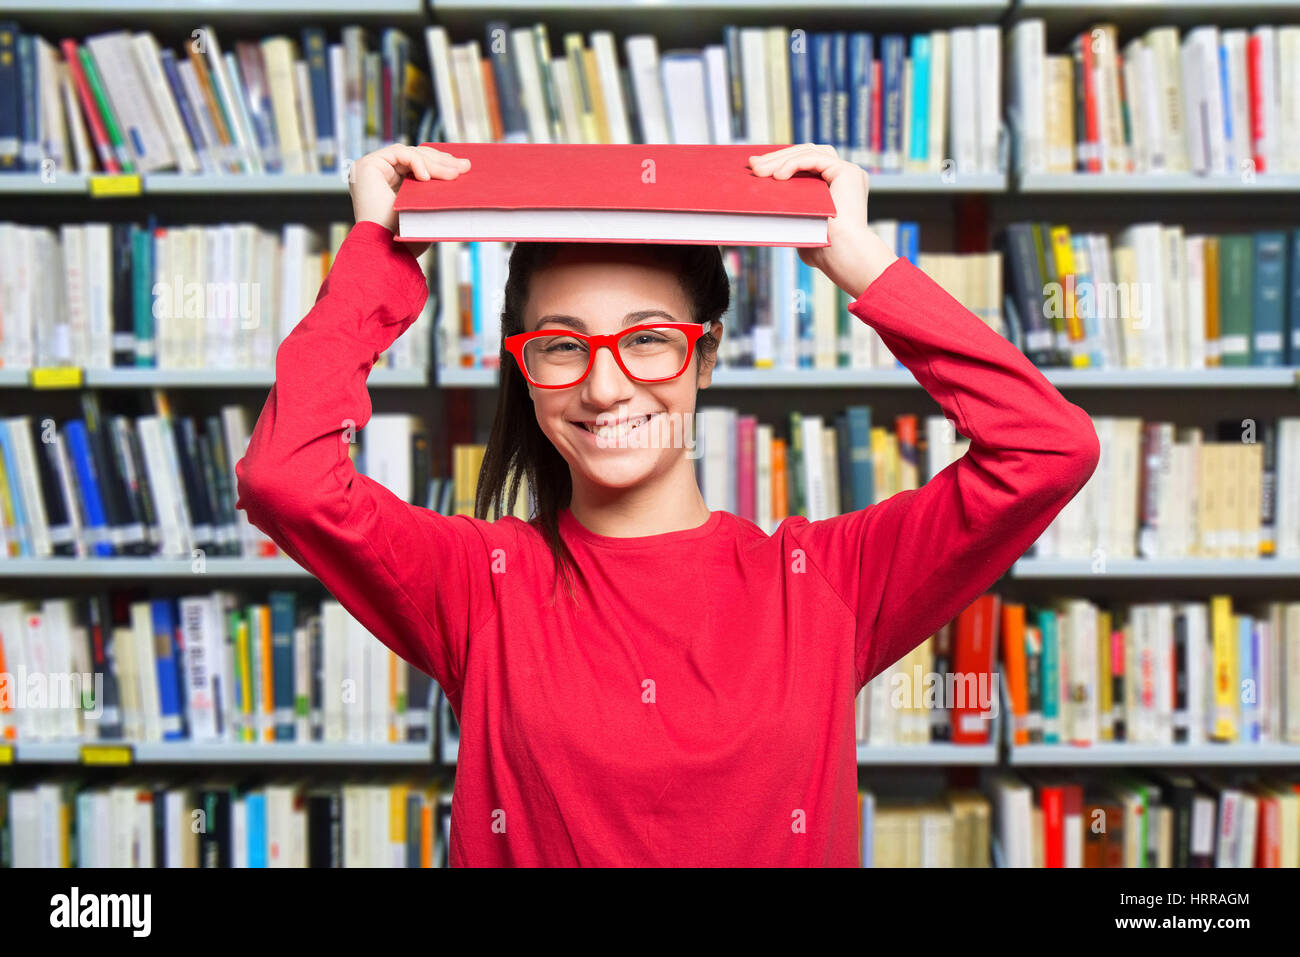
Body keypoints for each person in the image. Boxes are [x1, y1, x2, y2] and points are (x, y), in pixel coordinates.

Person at [235, 142, 1100, 867]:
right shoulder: (479, 583)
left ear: (707, 354)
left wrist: (857, 258)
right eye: (562, 346)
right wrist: (377, 252)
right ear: (524, 369)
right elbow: (286, 476)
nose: (606, 387)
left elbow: (1047, 448)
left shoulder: (826, 584)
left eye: (649, 339)